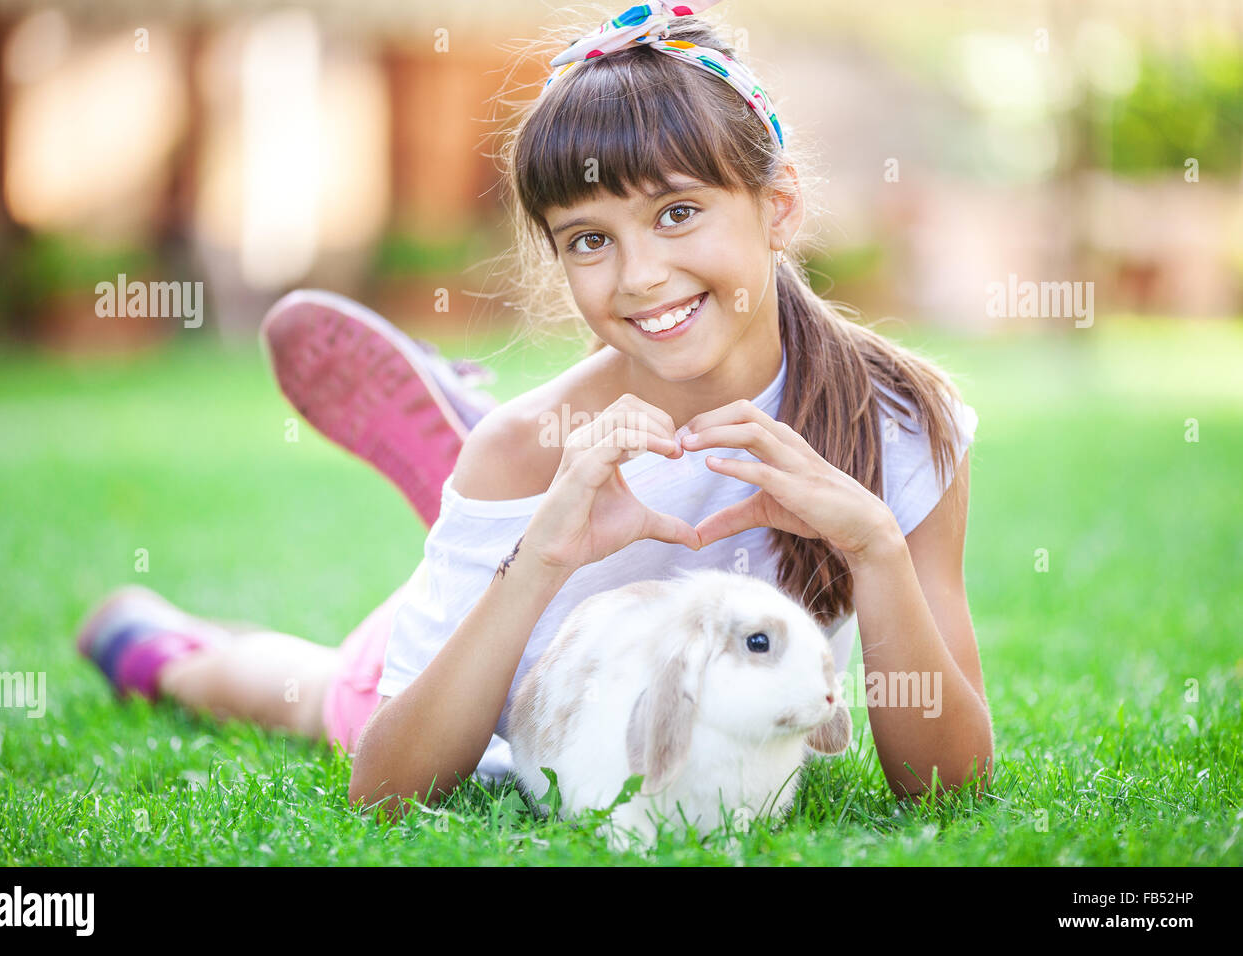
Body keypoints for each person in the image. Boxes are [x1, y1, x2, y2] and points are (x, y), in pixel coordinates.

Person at [77, 0, 992, 817]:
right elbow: (387, 790)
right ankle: (164, 645)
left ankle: (452, 438)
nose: (641, 276)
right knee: (316, 690)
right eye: (590, 239)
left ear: (779, 207)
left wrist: (875, 547)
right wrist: (543, 554)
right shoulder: (525, 452)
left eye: (678, 213)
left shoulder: (905, 420)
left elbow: (949, 785)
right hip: (477, 671)